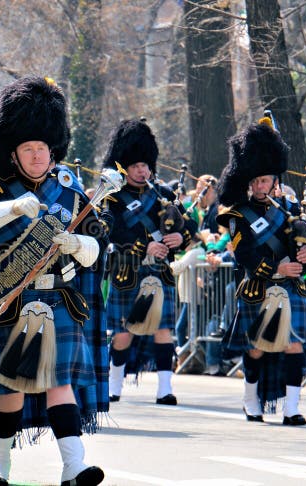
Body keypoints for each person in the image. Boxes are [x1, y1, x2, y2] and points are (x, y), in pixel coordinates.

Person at [0, 77, 106, 486]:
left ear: (53, 150)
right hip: (11, 303)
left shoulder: (72, 195)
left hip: (58, 301)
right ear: (14, 153)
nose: (38, 156)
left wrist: (78, 243)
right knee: (9, 394)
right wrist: (13, 208)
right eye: (28, 149)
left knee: (61, 385)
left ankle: (75, 465)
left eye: (43, 149)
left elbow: (98, 246)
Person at [216, 119, 306, 426]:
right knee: (256, 349)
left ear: (274, 180)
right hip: (258, 287)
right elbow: (244, 254)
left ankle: (292, 408)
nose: (260, 186)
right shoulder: (238, 215)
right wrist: (276, 267)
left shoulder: (291, 210)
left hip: (292, 288)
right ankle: (251, 400)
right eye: (255, 181)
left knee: (294, 345)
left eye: (265, 180)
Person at [102, 118, 195, 405]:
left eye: (145, 165)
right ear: (124, 168)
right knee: (123, 333)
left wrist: (180, 237)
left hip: (159, 273)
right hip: (127, 272)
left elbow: (187, 227)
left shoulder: (164, 195)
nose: (142, 170)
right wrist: (145, 246)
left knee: (163, 330)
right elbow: (111, 233)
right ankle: (114, 386)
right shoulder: (112, 199)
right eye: (135, 166)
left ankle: (164, 389)